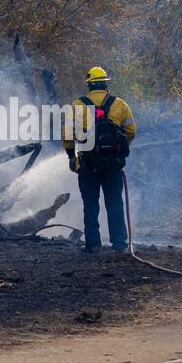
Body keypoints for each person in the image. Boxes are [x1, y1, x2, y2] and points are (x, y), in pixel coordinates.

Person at [64, 66, 136, 253]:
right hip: (113, 166)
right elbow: (131, 131)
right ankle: (119, 244)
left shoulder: (78, 105)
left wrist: (72, 156)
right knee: (114, 202)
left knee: (90, 204)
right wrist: (118, 150)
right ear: (105, 84)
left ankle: (93, 244)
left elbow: (67, 134)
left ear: (89, 86)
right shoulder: (120, 104)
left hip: (87, 165)